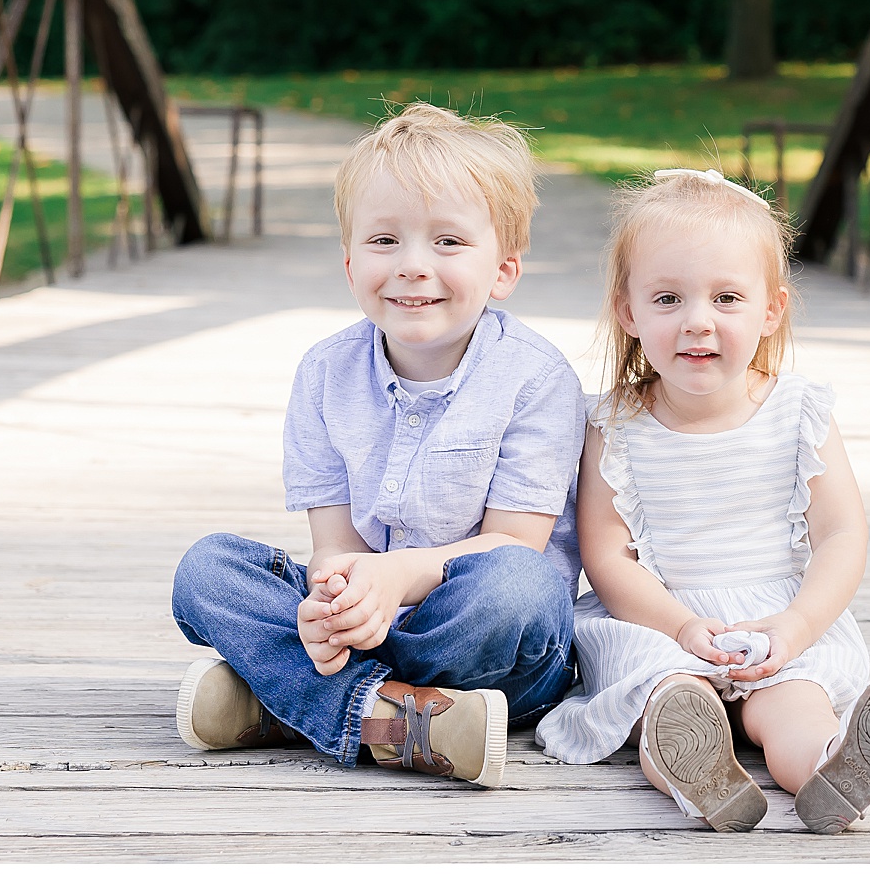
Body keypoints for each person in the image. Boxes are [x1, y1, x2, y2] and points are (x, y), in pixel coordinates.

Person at [170, 103, 585, 787]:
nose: (413, 266)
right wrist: (331, 604)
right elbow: (336, 547)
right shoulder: (325, 373)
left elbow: (516, 544)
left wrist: (393, 580)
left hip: (485, 640)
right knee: (206, 571)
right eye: (385, 240)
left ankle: (291, 698)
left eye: (448, 242)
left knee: (520, 585)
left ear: (504, 270)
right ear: (349, 263)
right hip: (369, 621)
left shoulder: (536, 379)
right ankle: (399, 717)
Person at [536, 168, 870, 833]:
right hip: (657, 619)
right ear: (628, 311)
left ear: (770, 310)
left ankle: (831, 769)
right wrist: (680, 628)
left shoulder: (799, 411)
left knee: (795, 703)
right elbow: (608, 558)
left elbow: (842, 536)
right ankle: (701, 777)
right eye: (668, 299)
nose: (697, 322)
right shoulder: (611, 424)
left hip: (775, 619)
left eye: (726, 298)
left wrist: (796, 627)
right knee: (667, 699)